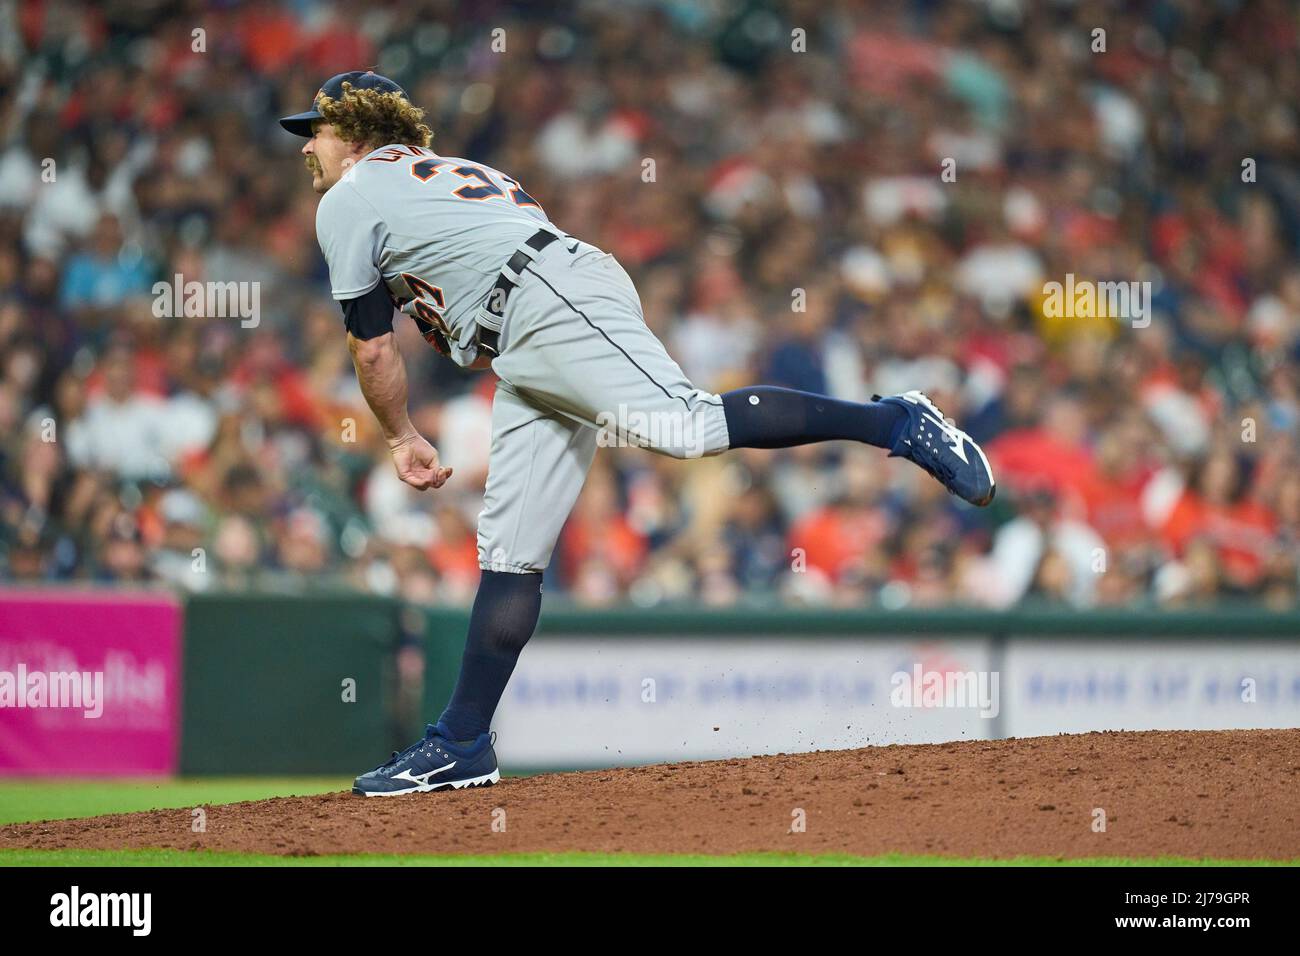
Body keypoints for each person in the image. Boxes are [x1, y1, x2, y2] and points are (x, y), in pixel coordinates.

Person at [280, 71, 995, 796]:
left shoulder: (352, 194)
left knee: (685, 428)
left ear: (362, 134)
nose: (309, 144)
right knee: (510, 555)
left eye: (321, 129)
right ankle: (462, 741)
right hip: (529, 332)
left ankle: (900, 421)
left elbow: (372, 347)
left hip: (543, 302)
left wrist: (401, 436)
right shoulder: (443, 175)